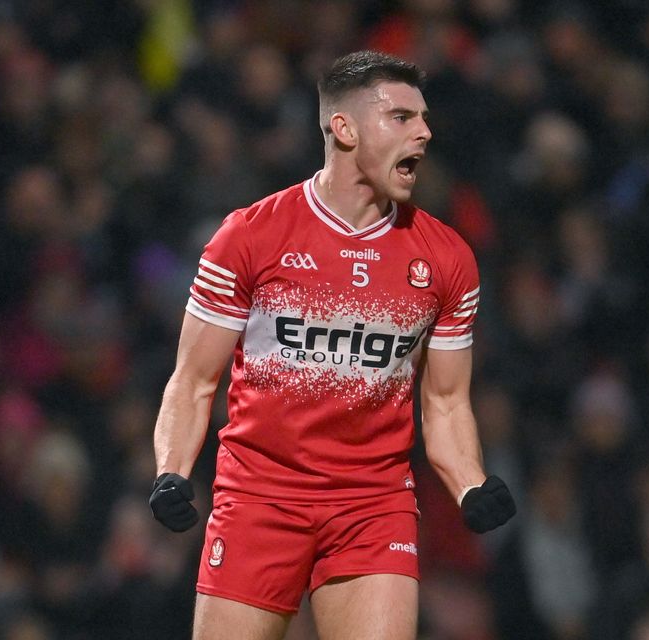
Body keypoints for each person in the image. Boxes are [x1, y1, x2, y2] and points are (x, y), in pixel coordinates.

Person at [149, 50, 516, 640]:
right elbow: (192, 382)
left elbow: (445, 404)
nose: (424, 131)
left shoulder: (448, 259)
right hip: (259, 497)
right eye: (401, 117)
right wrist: (172, 472)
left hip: (373, 503)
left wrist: (470, 481)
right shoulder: (250, 237)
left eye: (423, 118)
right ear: (343, 129)